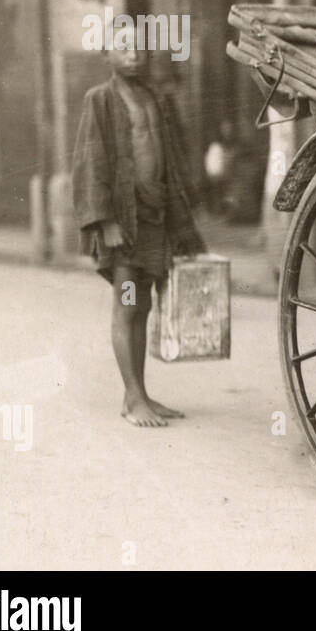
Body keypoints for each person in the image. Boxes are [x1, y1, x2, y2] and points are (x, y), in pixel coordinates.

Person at [73, 47, 206, 427]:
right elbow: (90, 162)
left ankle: (141, 393)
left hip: (154, 219)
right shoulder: (100, 99)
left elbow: (171, 159)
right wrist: (106, 222)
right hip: (124, 223)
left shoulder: (152, 97)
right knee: (127, 304)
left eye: (137, 47)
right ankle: (132, 398)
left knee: (143, 307)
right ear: (107, 55)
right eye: (123, 47)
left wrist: (181, 222)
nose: (133, 54)